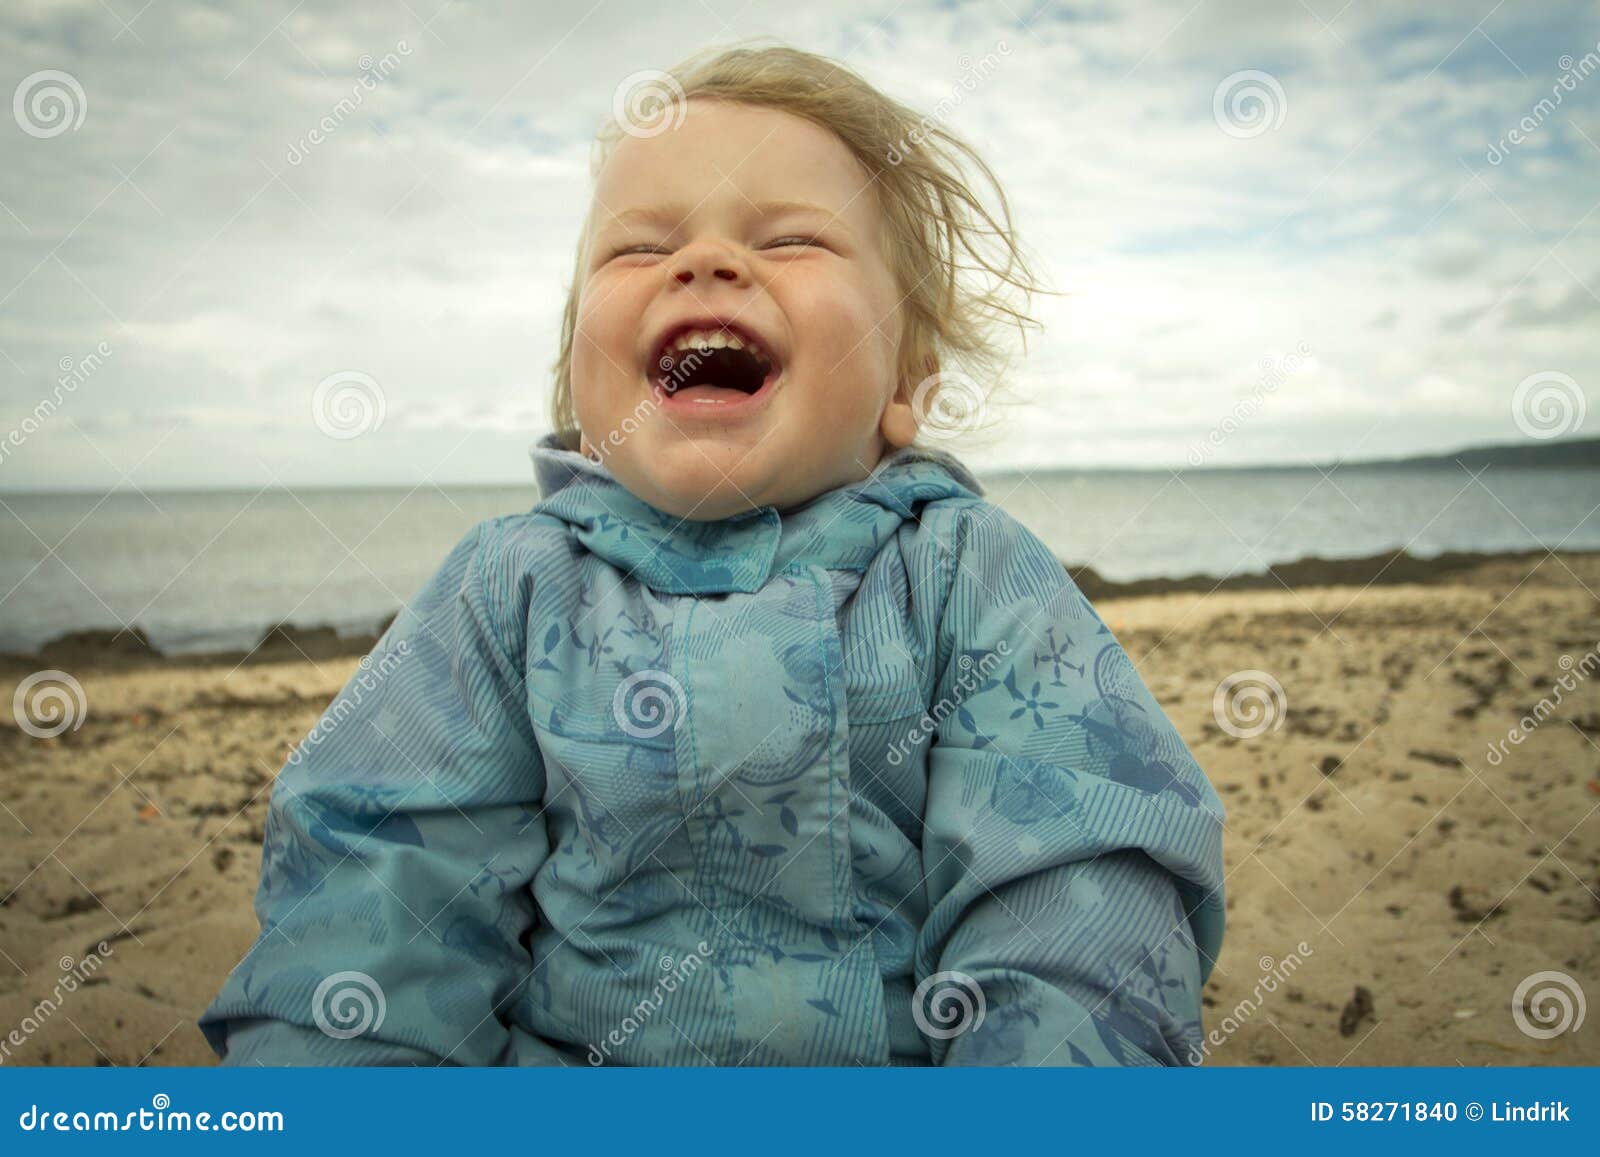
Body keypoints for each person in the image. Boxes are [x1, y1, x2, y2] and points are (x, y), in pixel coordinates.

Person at [198, 43, 1226, 1067]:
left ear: (907, 382)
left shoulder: (967, 571)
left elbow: (1078, 869)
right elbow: (382, 884)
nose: (707, 262)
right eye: (638, 250)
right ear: (578, 384)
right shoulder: (507, 585)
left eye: (789, 239)